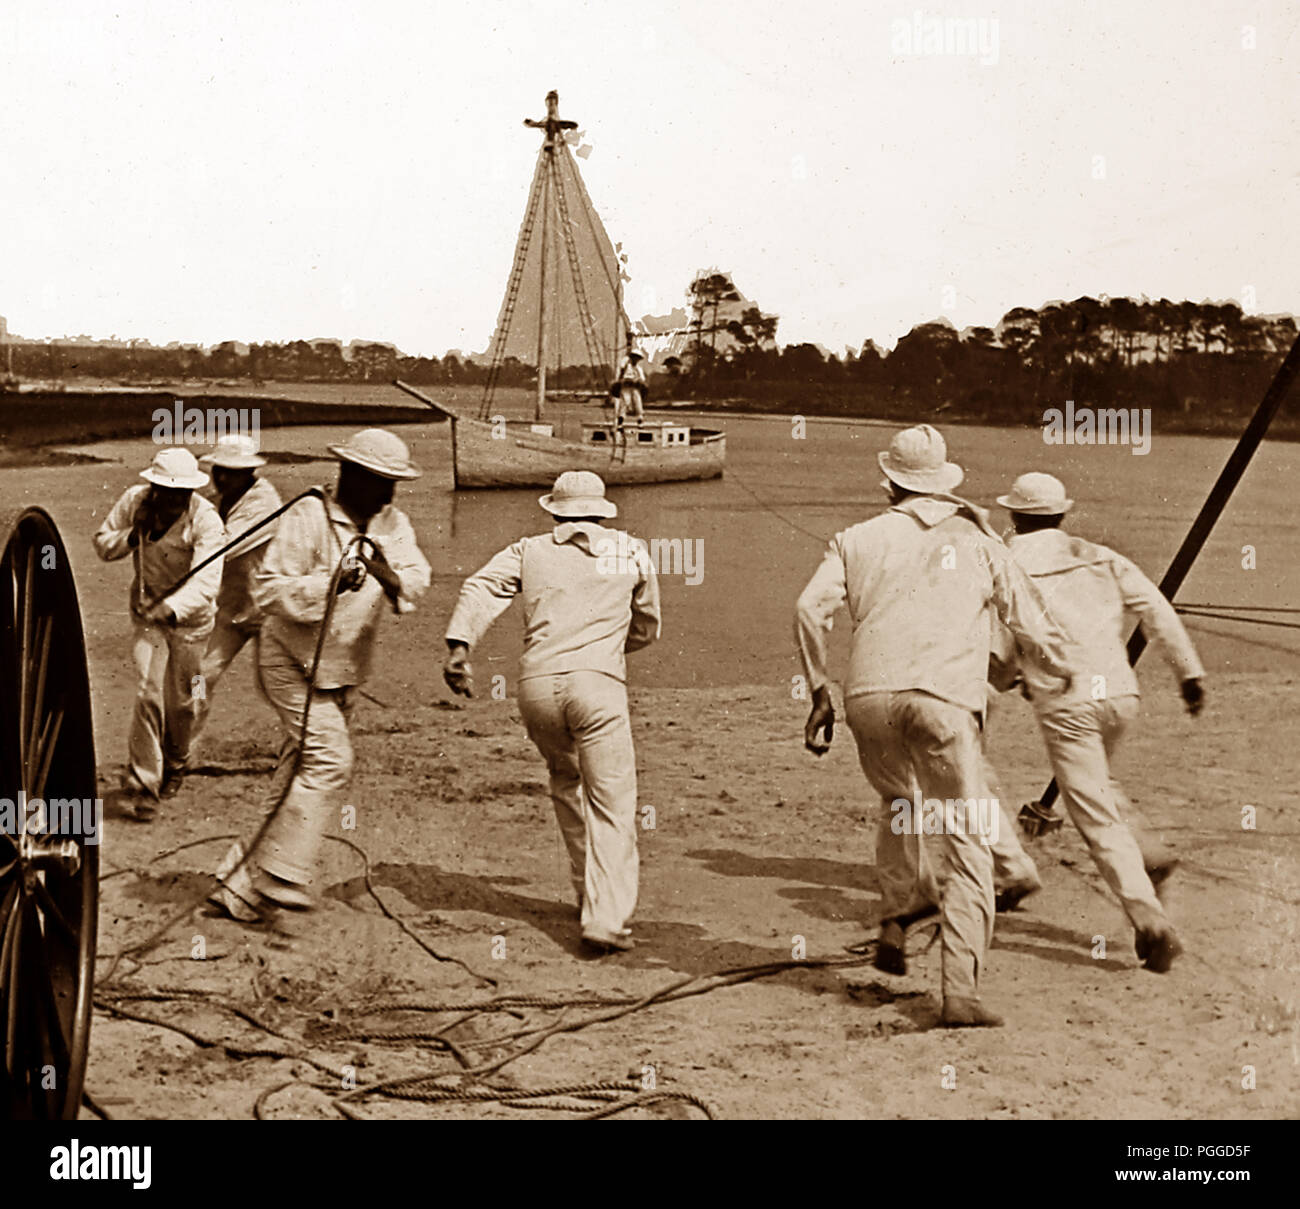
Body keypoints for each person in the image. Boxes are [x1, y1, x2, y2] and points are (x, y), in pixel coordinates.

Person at [795, 425, 1075, 1027]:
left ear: (890, 482)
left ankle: (901, 907)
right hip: (943, 698)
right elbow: (1032, 621)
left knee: (900, 802)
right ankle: (960, 994)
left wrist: (818, 688)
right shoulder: (979, 541)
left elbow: (808, 608)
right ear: (945, 483)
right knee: (968, 839)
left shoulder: (856, 537)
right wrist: (1059, 671)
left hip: (867, 698)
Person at [208, 429, 430, 927]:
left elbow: (417, 577)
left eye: (395, 483)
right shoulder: (305, 516)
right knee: (330, 760)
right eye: (381, 482)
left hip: (342, 669)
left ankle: (236, 889)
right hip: (288, 662)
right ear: (350, 476)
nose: (390, 494)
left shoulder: (392, 522)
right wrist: (327, 584)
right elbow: (267, 593)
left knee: (293, 779)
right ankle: (282, 876)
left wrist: (385, 573)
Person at [993, 471, 1205, 973]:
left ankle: (1151, 922)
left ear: (1014, 517)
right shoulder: (1098, 554)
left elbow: (1000, 643)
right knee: (1096, 785)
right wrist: (1189, 674)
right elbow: (1155, 610)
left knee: (1093, 816)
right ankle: (1149, 854)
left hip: (1068, 702)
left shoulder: (1005, 562)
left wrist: (1005, 678)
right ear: (1061, 515)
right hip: (1118, 692)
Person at [443, 470, 660, 955]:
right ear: (602, 511)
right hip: (597, 684)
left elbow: (480, 588)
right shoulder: (630, 550)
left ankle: (588, 895)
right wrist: (609, 647)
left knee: (567, 784)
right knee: (613, 802)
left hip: (537, 686)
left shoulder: (528, 550)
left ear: (554, 511)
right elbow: (647, 624)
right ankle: (605, 917)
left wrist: (460, 646)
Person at [93, 446, 224, 818]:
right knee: (147, 691)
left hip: (192, 625)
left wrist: (173, 608)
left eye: (179, 494)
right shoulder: (134, 501)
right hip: (147, 618)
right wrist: (134, 535)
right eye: (164, 491)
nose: (171, 500)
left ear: (189, 493)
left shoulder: (207, 520)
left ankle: (178, 760)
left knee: (185, 701)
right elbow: (103, 543)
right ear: (153, 487)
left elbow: (206, 583)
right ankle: (146, 783)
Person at [192, 433, 283, 747]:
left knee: (276, 685)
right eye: (219, 469)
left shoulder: (264, 502)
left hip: (272, 611)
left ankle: (306, 747)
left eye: (231, 471)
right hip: (231, 609)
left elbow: (223, 548)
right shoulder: (215, 501)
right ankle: (180, 751)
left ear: (249, 472)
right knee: (199, 678)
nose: (221, 477)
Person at [611, 348, 647, 424]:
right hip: (626, 386)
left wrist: (638, 381)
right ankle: (621, 418)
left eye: (637, 358)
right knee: (625, 401)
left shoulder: (638, 369)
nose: (636, 360)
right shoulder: (626, 366)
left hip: (635, 387)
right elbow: (621, 377)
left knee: (637, 401)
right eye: (634, 357)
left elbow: (642, 379)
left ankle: (640, 418)